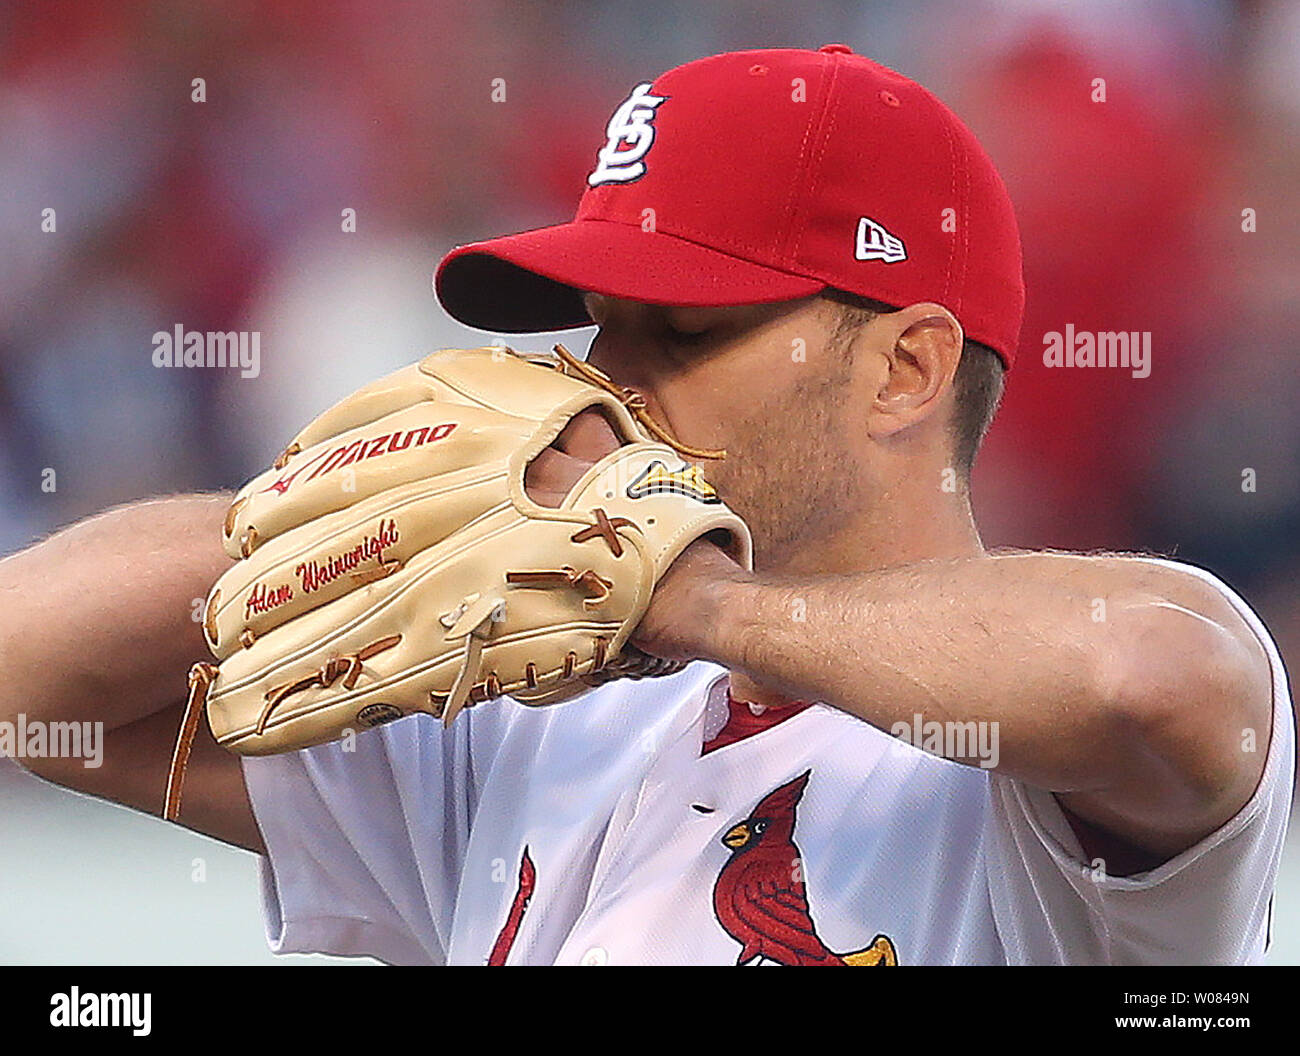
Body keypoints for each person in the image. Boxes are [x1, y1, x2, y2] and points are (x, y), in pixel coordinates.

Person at [2, 46, 1290, 965]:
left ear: (905, 370)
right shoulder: (539, 716)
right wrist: (315, 516)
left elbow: (1147, 679)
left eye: (682, 329)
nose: (613, 383)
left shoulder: (1029, 762)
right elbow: (24, 681)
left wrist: (693, 596)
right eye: (602, 329)